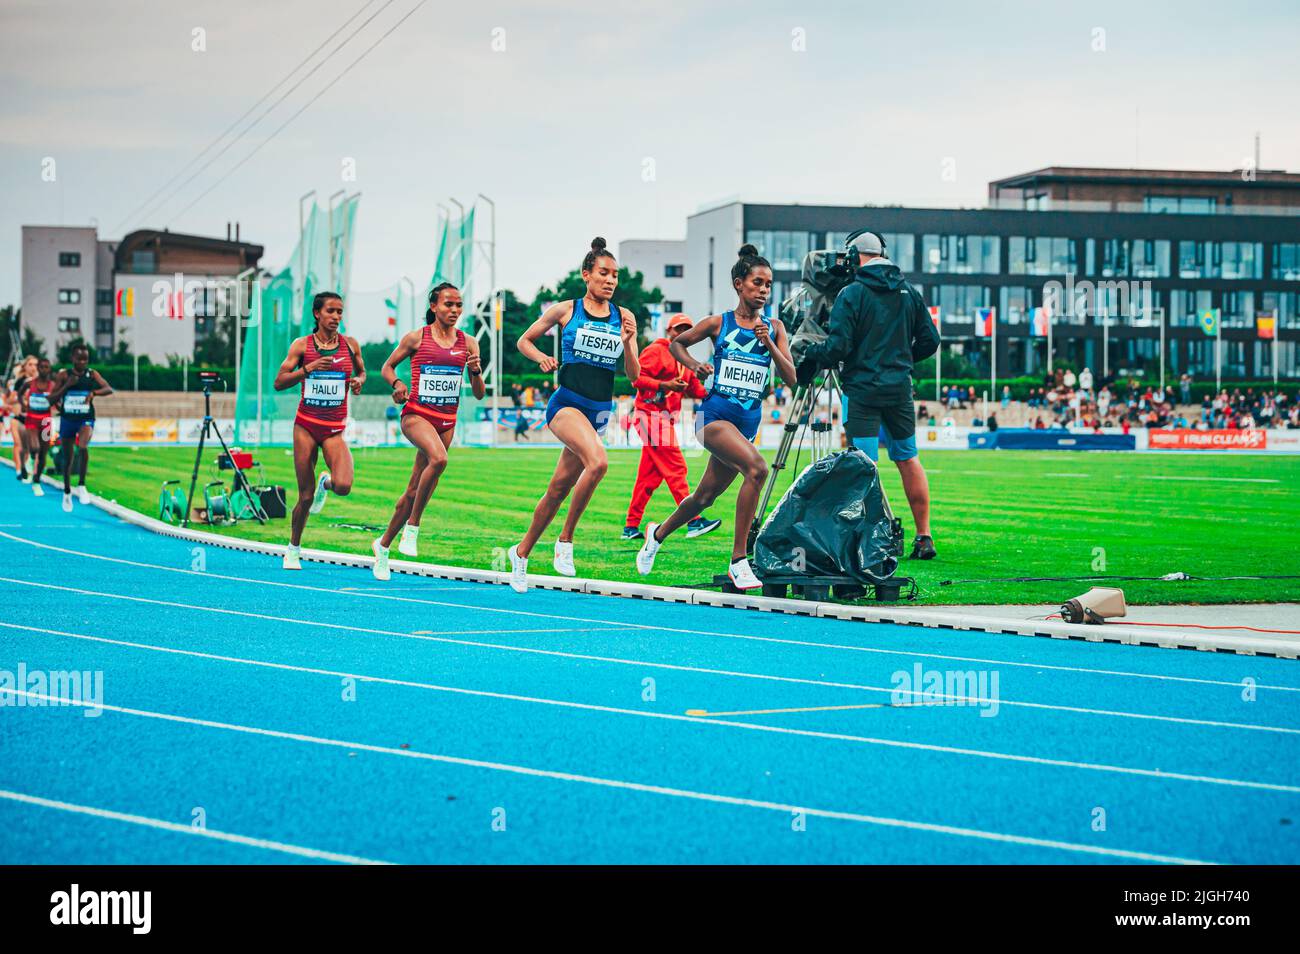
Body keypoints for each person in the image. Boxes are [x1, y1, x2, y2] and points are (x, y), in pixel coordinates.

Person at [635, 244, 796, 590]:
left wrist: (769, 345)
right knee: (757, 469)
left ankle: (657, 534)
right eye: (757, 283)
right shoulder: (717, 323)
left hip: (746, 424)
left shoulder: (776, 328)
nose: (764, 290)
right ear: (739, 284)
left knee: (704, 497)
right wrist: (694, 366)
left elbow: (792, 378)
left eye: (768, 285)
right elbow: (677, 344)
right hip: (712, 417)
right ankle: (739, 560)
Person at [505, 237, 640, 593]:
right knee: (598, 463)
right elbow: (524, 341)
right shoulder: (566, 310)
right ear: (586, 275)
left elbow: (636, 375)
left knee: (558, 488)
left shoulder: (624, 317)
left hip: (599, 411)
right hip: (566, 404)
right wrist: (541, 359)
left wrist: (628, 342)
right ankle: (565, 541)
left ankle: (520, 553)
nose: (610, 281)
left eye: (615, 275)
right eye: (603, 273)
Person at [795, 230, 941, 559]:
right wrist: (901, 360)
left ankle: (868, 539)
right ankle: (924, 536)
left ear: (853, 257)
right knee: (908, 458)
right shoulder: (909, 292)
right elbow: (930, 340)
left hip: (862, 389)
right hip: (899, 388)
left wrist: (811, 353)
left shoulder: (852, 293)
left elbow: (838, 347)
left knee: (863, 465)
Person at [370, 283, 483, 581]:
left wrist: (476, 370)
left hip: (447, 421)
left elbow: (480, 393)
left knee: (412, 491)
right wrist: (397, 384)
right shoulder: (416, 337)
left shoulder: (469, 343)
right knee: (440, 459)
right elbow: (387, 367)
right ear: (434, 307)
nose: (454, 310)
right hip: (417, 415)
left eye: (458, 305)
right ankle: (413, 527)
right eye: (448, 304)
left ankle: (382, 546)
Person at [273, 291, 365, 570]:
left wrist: (359, 381)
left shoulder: (350, 346)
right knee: (305, 495)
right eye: (331, 312)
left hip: (334, 429)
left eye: (340, 312)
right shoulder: (302, 346)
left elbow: (362, 372)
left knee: (344, 485)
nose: (336, 317)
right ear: (317, 314)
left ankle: (327, 481)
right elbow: (279, 382)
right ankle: (293, 548)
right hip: (306, 426)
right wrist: (307, 369)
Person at [622, 313, 720, 541]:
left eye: (687, 329)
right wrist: (665, 384)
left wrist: (713, 386)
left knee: (648, 479)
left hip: (660, 419)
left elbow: (696, 390)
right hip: (649, 416)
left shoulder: (685, 358)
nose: (682, 332)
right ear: (669, 332)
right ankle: (694, 522)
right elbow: (636, 379)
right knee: (676, 468)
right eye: (679, 328)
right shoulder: (657, 350)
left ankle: (630, 527)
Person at [48, 344, 112, 512]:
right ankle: (67, 491)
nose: (82, 362)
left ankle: (82, 485)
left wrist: (93, 394)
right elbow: (51, 399)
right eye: (79, 359)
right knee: (68, 458)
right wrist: (67, 386)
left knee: (83, 445)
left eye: (86, 359)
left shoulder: (92, 374)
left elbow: (108, 388)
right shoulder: (64, 375)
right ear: (72, 359)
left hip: (85, 418)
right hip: (68, 419)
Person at [20, 358, 54, 496]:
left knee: (44, 453)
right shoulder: (30, 383)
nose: (44, 369)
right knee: (35, 448)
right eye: (42, 367)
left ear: (49, 369)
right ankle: (31, 458)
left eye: (47, 367)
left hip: (46, 421)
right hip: (32, 419)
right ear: (38, 368)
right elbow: (20, 393)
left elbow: (57, 399)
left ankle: (37, 481)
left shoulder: (53, 386)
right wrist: (22, 404)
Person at [8, 355, 36, 479]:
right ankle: (19, 470)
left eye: (35, 364)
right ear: (25, 366)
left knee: (28, 448)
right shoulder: (20, 381)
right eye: (30, 364)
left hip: (32, 419)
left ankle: (25, 468)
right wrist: (22, 397)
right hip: (17, 418)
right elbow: (10, 399)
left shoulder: (40, 381)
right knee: (18, 444)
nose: (33, 367)